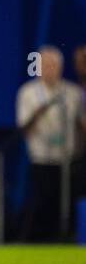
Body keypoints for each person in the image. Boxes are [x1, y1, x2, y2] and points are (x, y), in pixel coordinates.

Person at [16, 45, 85, 241]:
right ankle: (37, 239)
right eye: (46, 65)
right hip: (41, 158)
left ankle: (68, 236)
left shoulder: (72, 93)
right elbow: (23, 126)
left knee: (68, 202)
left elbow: (80, 124)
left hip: (69, 159)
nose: (50, 69)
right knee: (42, 203)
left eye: (54, 65)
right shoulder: (28, 93)